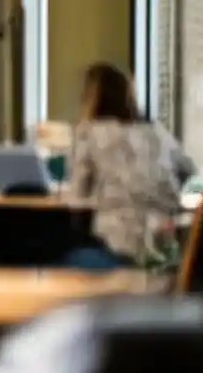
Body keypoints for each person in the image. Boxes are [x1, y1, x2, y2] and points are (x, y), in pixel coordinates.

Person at [65, 63, 194, 269]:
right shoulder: (157, 132)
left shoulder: (88, 134)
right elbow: (187, 169)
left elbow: (77, 197)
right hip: (165, 247)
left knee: (66, 259)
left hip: (115, 245)